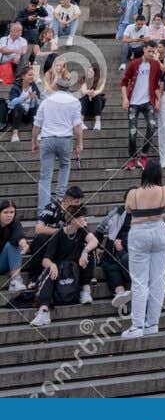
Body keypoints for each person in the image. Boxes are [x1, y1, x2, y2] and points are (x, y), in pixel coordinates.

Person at [119, 158, 165, 339]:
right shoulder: (164, 191)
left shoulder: (133, 193)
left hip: (139, 233)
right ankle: (153, 323)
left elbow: (127, 209)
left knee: (139, 281)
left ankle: (137, 325)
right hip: (159, 231)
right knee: (158, 280)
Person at [29, 202, 99, 330]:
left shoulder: (82, 231)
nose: (85, 220)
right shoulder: (59, 234)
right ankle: (44, 311)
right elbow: (45, 260)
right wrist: (52, 265)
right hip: (60, 271)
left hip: (75, 271)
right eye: (82, 217)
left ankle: (85, 289)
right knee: (50, 270)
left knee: (90, 251)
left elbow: (94, 241)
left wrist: (84, 251)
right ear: (72, 220)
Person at [32, 73, 84, 214]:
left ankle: (43, 209)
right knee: (64, 167)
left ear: (56, 85)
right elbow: (77, 126)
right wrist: (80, 143)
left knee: (45, 176)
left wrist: (34, 141)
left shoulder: (46, 101)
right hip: (65, 138)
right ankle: (60, 202)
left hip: (47, 138)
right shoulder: (74, 101)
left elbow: (37, 124)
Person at [0, 199, 29, 293]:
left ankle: (15, 281)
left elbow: (19, 236)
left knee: (13, 244)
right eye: (6, 212)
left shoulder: (15, 223)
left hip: (5, 262)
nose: (9, 215)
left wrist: (24, 245)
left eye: (12, 212)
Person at [3, 68, 39, 141]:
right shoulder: (16, 87)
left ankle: (35, 134)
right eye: (29, 75)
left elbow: (39, 101)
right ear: (23, 76)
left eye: (33, 75)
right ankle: (15, 133)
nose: (32, 77)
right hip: (15, 114)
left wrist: (35, 99)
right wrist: (25, 97)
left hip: (28, 115)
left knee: (36, 106)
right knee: (18, 106)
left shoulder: (33, 86)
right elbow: (12, 102)